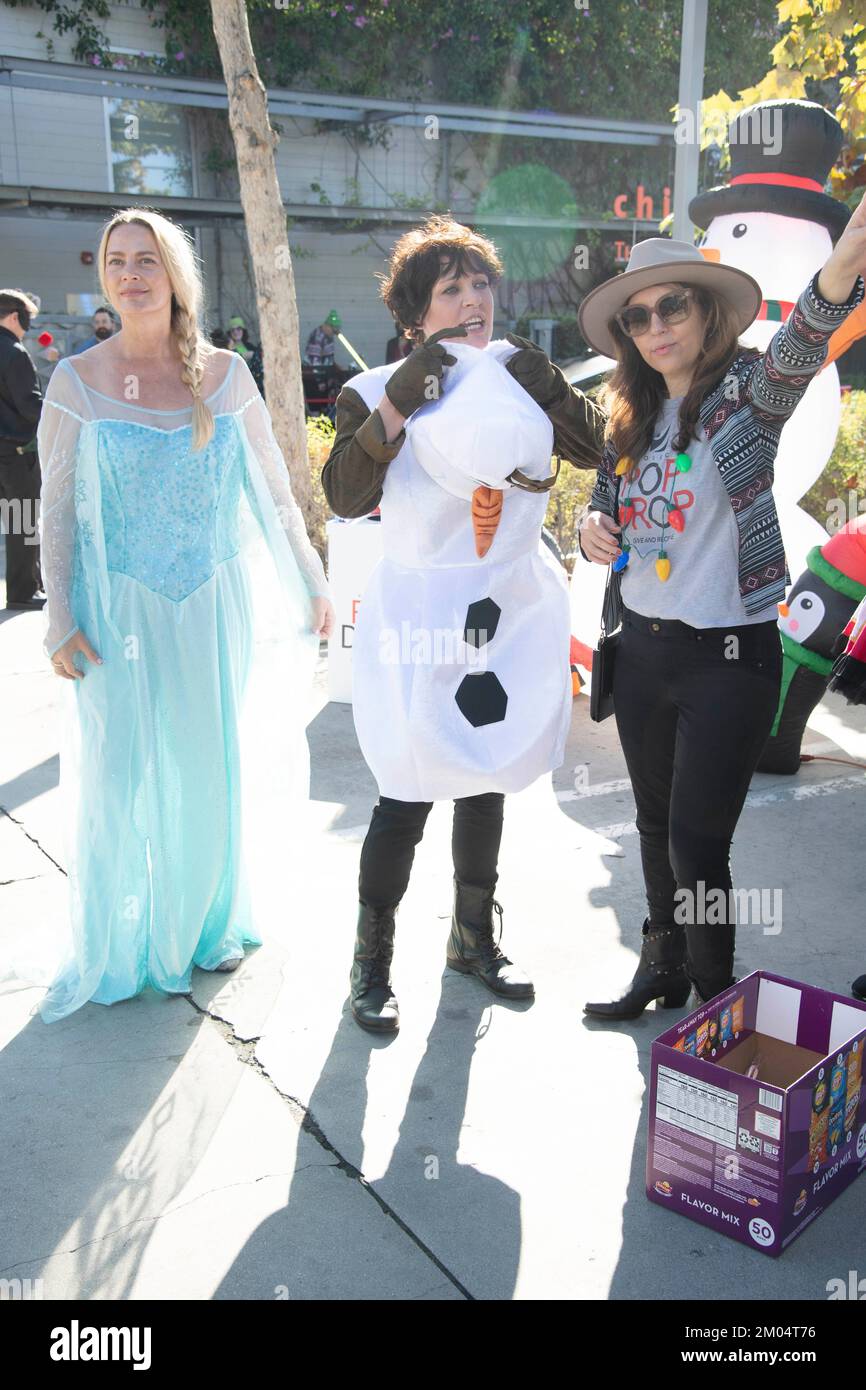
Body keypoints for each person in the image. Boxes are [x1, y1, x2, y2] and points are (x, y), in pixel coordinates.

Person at [34, 208, 335, 1022]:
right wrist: (57, 613)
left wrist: (311, 579)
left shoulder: (225, 375)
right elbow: (55, 510)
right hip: (113, 608)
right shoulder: (75, 381)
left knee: (207, 767)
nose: (131, 274)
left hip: (209, 603)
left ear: (175, 275)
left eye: (147, 260)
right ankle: (128, 941)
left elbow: (273, 493)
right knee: (122, 772)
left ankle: (202, 928)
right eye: (117, 260)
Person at [577, 199, 866, 1020]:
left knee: (698, 842)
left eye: (674, 305)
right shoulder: (629, 415)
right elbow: (605, 505)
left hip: (728, 658)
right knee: (653, 825)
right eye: (639, 315)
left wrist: (842, 265)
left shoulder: (746, 393)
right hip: (641, 652)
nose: (657, 324)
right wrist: (592, 525)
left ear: (707, 310)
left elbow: (799, 348)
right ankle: (661, 967)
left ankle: (715, 1003)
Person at [323, 215, 604, 1033]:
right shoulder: (373, 388)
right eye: (452, 288)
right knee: (405, 791)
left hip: (506, 610)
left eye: (481, 282)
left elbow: (593, 450)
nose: (474, 299)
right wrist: (402, 403)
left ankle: (474, 940)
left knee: (485, 776)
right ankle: (369, 966)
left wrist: (548, 386)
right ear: (417, 312)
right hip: (419, 617)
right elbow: (342, 496)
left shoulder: (516, 375)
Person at [0, 288, 45, 609]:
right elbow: (30, 407)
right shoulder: (14, 353)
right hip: (16, 455)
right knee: (23, 521)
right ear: (15, 317)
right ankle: (22, 590)